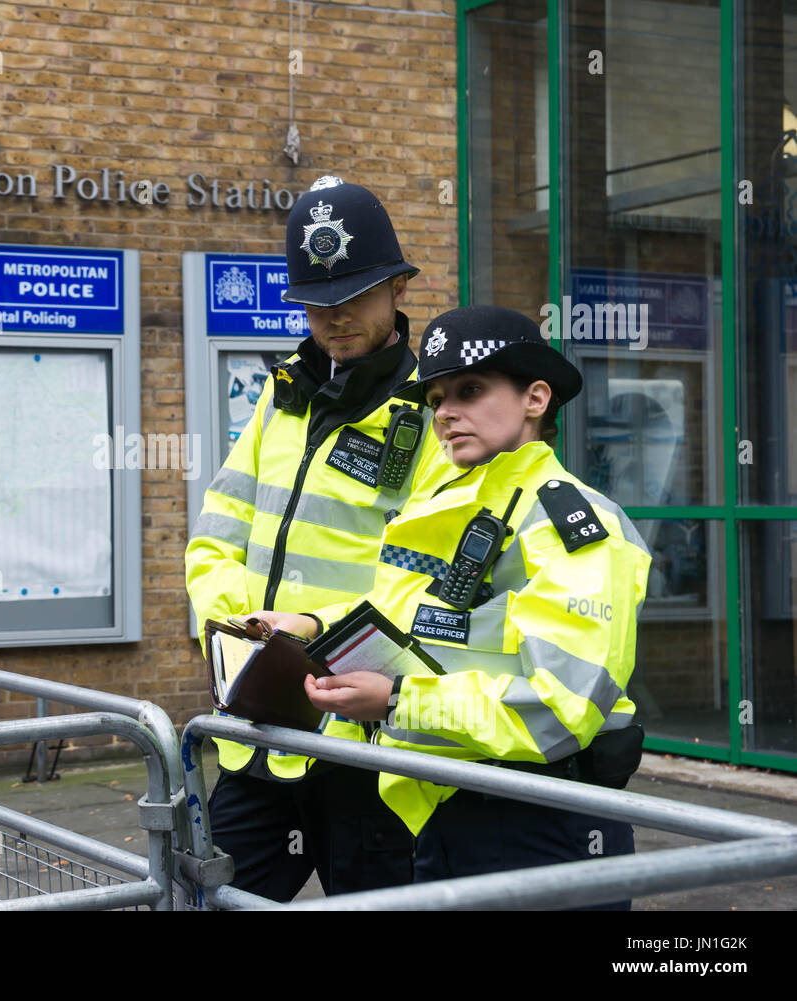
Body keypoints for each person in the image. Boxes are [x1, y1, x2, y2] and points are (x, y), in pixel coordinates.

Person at [266, 305, 650, 908]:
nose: (445, 412)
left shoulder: (569, 524)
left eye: (470, 389)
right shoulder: (456, 502)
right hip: (449, 808)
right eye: (438, 396)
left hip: (541, 822)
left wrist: (394, 701)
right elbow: (400, 620)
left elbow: (560, 708)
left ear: (536, 398)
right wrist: (311, 626)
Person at [184, 176, 452, 901]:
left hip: (359, 739)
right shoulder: (282, 395)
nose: (334, 317)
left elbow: (428, 582)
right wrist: (236, 631)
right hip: (258, 734)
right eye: (318, 302)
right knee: (210, 898)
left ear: (398, 287)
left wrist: (308, 633)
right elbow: (215, 535)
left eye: (355, 297)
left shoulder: (434, 412)